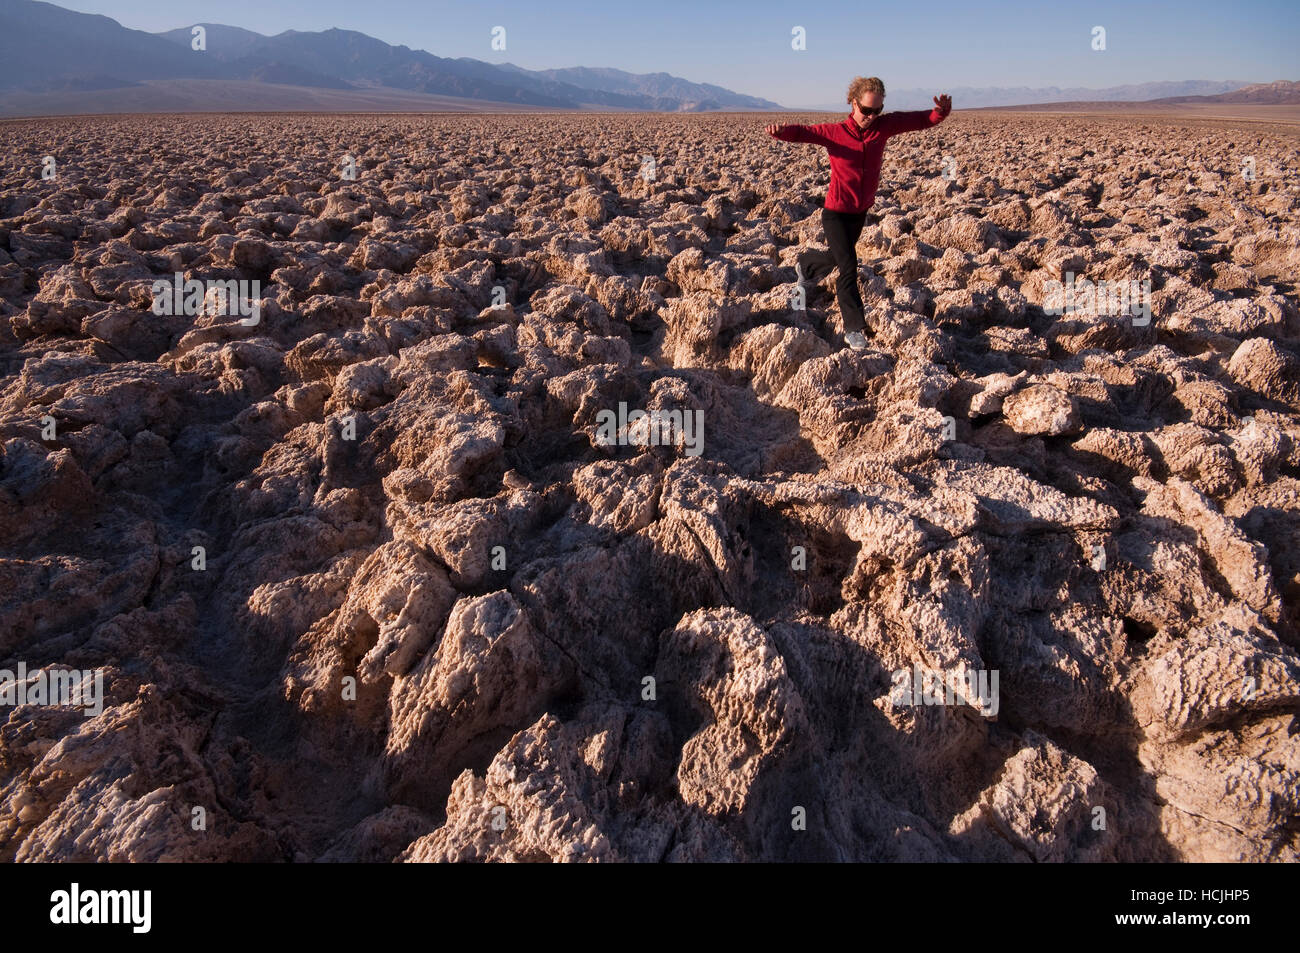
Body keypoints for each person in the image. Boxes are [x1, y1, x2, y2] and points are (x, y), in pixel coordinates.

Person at [766, 77, 952, 350]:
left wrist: (941, 112)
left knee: (838, 257)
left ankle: (806, 265)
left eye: (877, 111)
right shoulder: (836, 132)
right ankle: (854, 328)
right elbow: (806, 132)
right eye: (866, 110)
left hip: (859, 212)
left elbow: (920, 120)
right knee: (849, 267)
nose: (870, 117)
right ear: (853, 103)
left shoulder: (883, 127)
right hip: (835, 213)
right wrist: (780, 132)